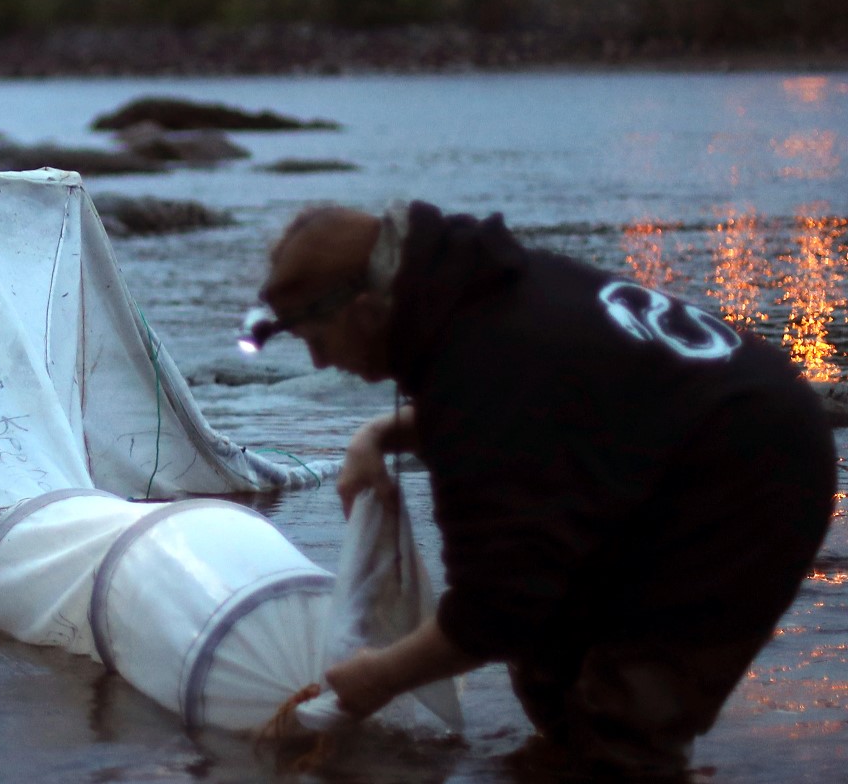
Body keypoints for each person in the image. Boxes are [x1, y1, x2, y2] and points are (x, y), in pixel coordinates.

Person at [244, 201, 835, 778]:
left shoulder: (486, 356)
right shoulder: (476, 292)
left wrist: (377, 678)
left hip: (756, 477)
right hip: (676, 437)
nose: (319, 363)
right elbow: (547, 407)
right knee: (552, 666)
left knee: (627, 722)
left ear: (370, 313)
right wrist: (378, 434)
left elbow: (494, 610)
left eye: (316, 339)